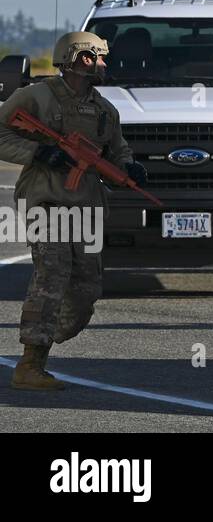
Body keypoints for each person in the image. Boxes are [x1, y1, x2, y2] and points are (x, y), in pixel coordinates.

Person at [0, 31, 147, 391]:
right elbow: (2, 133)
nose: (103, 64)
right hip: (45, 199)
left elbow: (117, 150)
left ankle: (46, 333)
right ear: (80, 58)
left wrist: (128, 168)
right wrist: (38, 153)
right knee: (52, 272)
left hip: (86, 204)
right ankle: (31, 361)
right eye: (98, 56)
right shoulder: (35, 96)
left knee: (85, 288)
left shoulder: (104, 110)